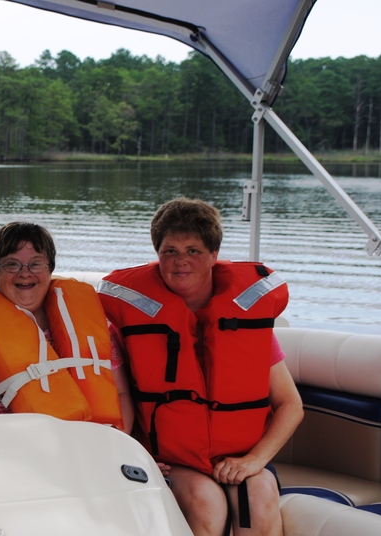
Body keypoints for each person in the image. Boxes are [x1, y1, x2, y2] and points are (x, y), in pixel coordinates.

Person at [98, 198, 303, 535]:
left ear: (214, 256)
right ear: (157, 255)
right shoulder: (127, 326)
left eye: (193, 250)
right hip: (171, 461)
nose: (180, 262)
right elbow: (119, 397)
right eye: (169, 251)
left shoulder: (248, 323)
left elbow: (290, 405)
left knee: (259, 493)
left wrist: (253, 461)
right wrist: (137, 454)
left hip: (240, 457)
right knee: (206, 500)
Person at [0, 222, 134, 432]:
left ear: (50, 268)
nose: (25, 273)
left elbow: (122, 393)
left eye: (36, 264)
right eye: (12, 264)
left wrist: (116, 447)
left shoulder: (94, 328)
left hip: (81, 448)